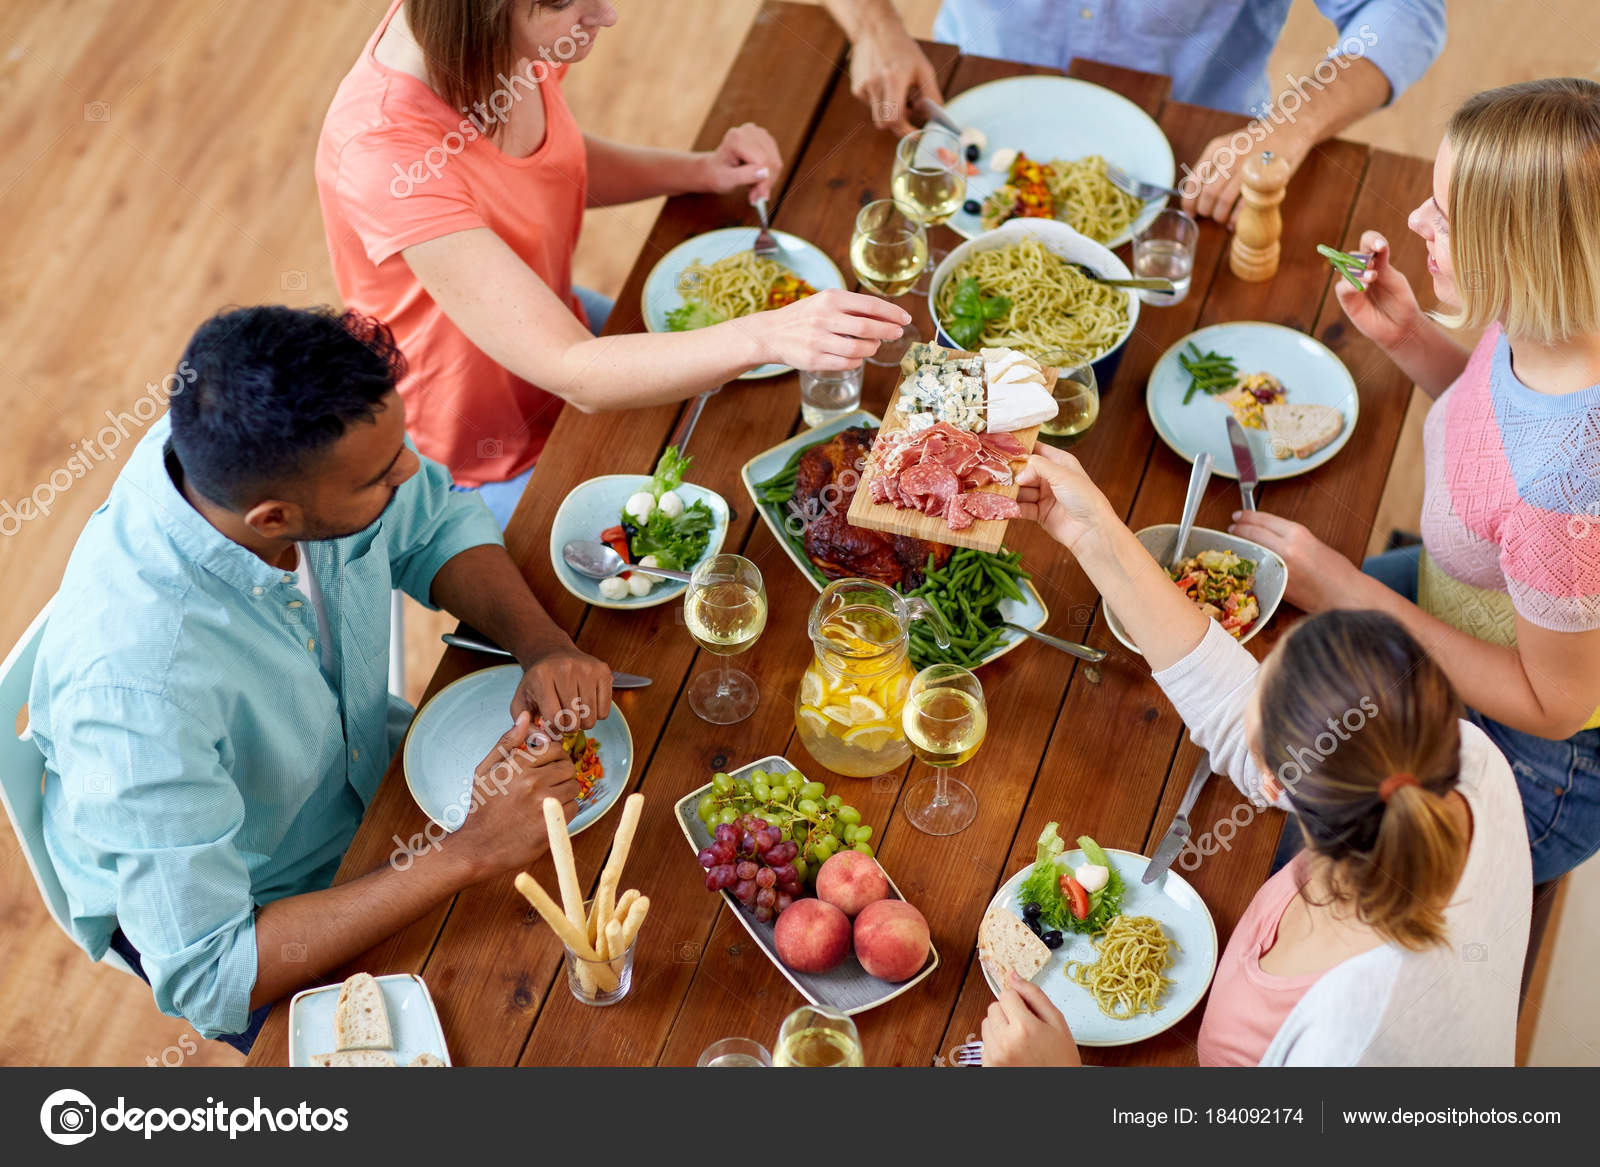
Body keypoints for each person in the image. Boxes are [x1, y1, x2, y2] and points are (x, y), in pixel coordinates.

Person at [29, 306, 612, 1052]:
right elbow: (212, 974)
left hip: (382, 786)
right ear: (273, 518)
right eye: (381, 475)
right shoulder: (134, 693)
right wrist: (468, 851)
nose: (412, 471)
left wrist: (542, 644)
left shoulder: (269, 456)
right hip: (270, 908)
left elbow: (436, 522)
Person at [977, 444, 1531, 1066]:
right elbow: (1226, 697)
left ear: (1275, 781)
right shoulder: (1466, 760)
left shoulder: (1348, 1040)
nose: (1249, 679)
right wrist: (1090, 529)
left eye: (1262, 682)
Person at [318, 0, 909, 527]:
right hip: (484, 446)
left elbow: (547, 156)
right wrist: (774, 331)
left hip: (559, 321)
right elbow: (574, 371)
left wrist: (699, 170)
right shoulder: (385, 152)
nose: (606, 15)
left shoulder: (506, 33)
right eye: (567, 3)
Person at [1229, 78, 1600, 886]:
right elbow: (1496, 425)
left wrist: (1348, 589)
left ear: (1525, 249)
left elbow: (1554, 702)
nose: (1416, 222)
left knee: (1284, 862)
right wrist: (1410, 336)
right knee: (1250, 622)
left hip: (1538, 755)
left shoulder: (1568, 485)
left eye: (1444, 215)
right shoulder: (1550, 313)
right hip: (1452, 596)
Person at [821, 0, 1445, 224]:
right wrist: (874, 22)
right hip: (961, 115)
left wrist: (1290, 126)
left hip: (1198, 161)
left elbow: (1403, 12)